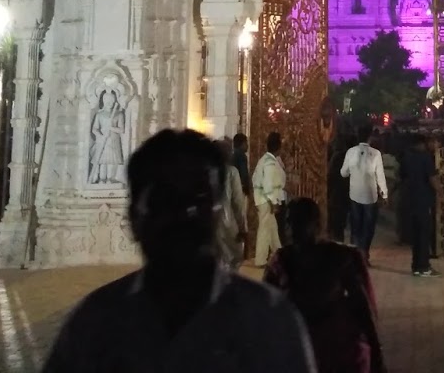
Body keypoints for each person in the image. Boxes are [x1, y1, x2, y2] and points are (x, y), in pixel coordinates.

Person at [41, 128, 315, 373]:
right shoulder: (96, 324)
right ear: (134, 216)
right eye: (164, 200)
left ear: (218, 214)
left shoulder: (267, 321)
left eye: (199, 198)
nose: (184, 214)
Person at [265, 197, 386, 373]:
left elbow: (362, 307)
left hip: (338, 352)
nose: (291, 229)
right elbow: (263, 309)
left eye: (299, 221)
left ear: (316, 224)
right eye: (289, 222)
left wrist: (376, 352)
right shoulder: (281, 261)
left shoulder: (339, 257)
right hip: (299, 352)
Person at [340, 123, 388, 257]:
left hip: (355, 194)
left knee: (356, 225)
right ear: (370, 137)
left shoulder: (351, 152)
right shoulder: (376, 154)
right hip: (370, 195)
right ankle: (364, 252)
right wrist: (384, 194)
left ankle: (355, 254)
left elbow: (343, 173)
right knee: (368, 226)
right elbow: (380, 176)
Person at [398, 132, 439, 276]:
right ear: (423, 143)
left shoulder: (406, 157)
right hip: (423, 200)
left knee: (416, 234)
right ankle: (423, 266)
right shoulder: (425, 158)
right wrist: (442, 194)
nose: (435, 146)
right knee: (423, 234)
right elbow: (432, 179)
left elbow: (402, 176)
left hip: (410, 200)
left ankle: (416, 265)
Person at [253, 130, 289, 267]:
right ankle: (260, 260)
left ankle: (278, 255)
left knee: (272, 229)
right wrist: (274, 202)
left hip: (263, 199)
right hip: (266, 200)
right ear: (278, 147)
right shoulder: (269, 162)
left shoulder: (266, 160)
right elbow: (268, 185)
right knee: (265, 229)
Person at [215, 138, 250, 269]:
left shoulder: (205, 171)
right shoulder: (231, 172)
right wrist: (243, 229)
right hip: (227, 223)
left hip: (210, 226)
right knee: (233, 259)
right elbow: (238, 204)